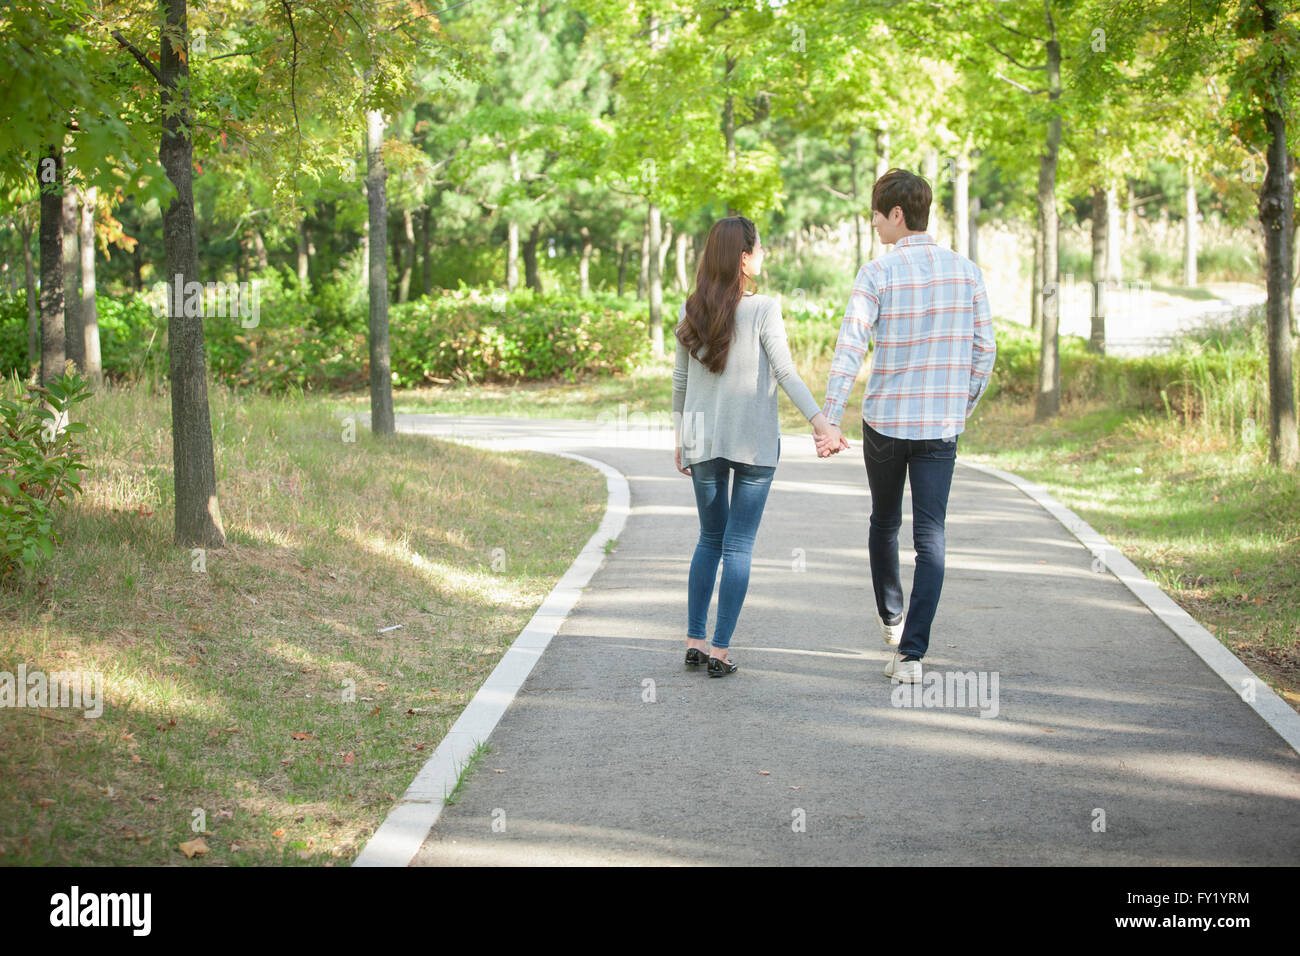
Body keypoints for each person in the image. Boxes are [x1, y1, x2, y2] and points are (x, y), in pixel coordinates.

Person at [817, 168, 997, 685]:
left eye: (876, 213)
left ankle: (892, 619)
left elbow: (851, 345)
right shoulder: (967, 272)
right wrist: (961, 402)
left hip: (888, 423)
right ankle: (912, 655)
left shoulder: (876, 274)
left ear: (897, 215)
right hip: (941, 424)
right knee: (931, 535)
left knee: (884, 521)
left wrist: (831, 414)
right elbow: (985, 349)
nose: (873, 223)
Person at [672, 216, 846, 678]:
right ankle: (720, 650)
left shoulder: (692, 308)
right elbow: (786, 372)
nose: (764, 256)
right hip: (754, 446)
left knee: (710, 539)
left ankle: (694, 639)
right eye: (759, 249)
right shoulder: (765, 308)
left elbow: (680, 382)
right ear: (743, 258)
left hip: (703, 441)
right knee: (739, 545)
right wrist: (822, 424)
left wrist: (681, 437)